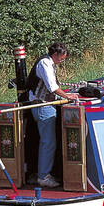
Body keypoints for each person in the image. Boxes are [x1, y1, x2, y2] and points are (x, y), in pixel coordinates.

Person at [30, 42, 72, 188]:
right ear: (55, 54)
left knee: (47, 142)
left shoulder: (49, 63)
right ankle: (43, 176)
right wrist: (69, 97)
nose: (62, 61)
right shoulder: (45, 64)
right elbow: (52, 87)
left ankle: (43, 173)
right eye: (61, 58)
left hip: (45, 106)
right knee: (48, 143)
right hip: (43, 106)